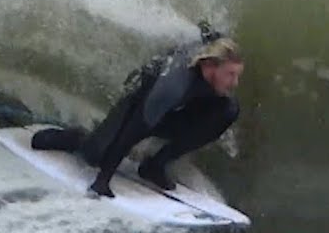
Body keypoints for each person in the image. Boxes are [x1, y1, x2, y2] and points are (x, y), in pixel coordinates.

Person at [32, 21, 244, 198]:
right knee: (96, 156)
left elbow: (207, 33)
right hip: (140, 100)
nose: (235, 83)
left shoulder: (216, 52)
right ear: (209, 66)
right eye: (230, 75)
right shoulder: (174, 86)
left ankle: (155, 166)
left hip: (172, 108)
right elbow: (132, 131)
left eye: (237, 75)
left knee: (229, 110)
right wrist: (102, 182)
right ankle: (77, 138)